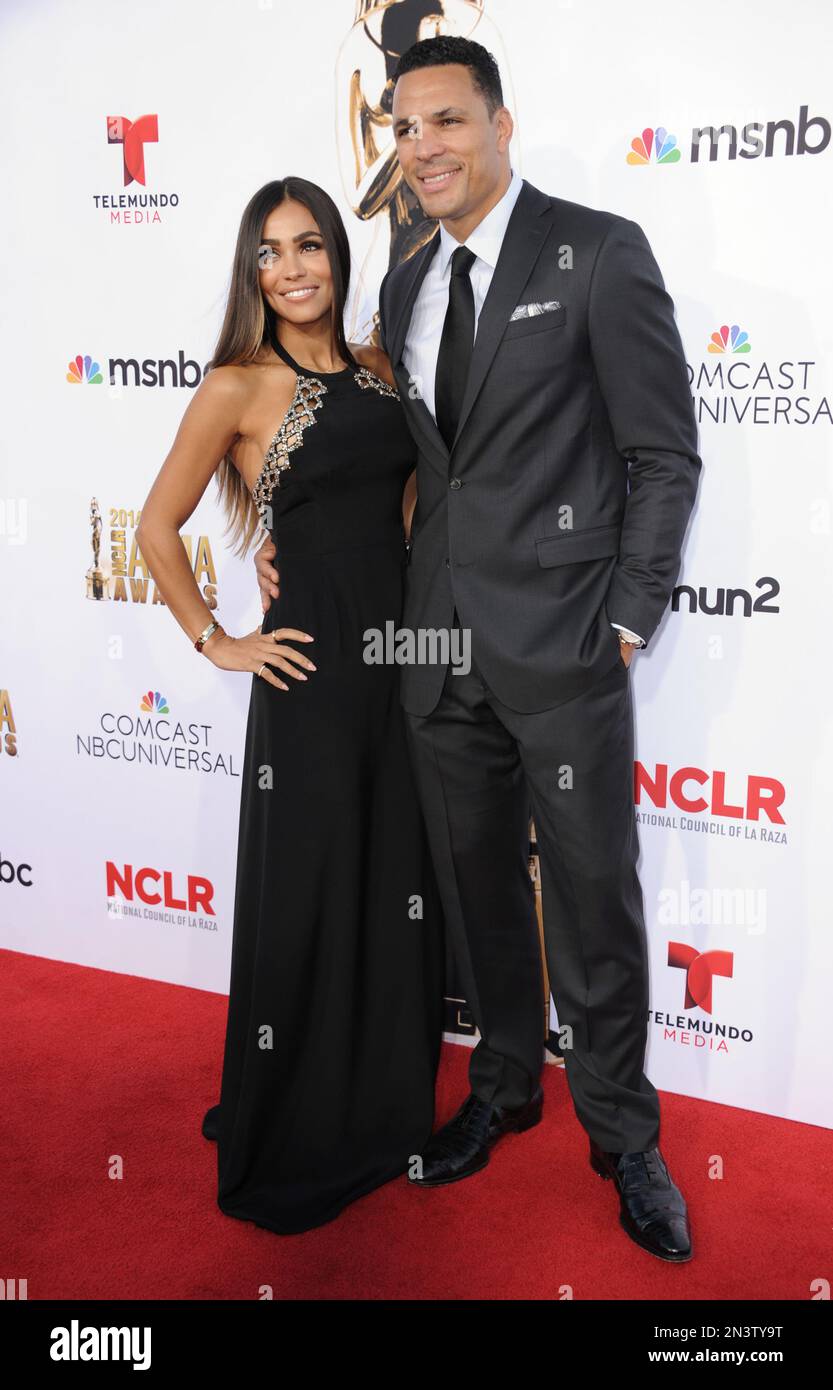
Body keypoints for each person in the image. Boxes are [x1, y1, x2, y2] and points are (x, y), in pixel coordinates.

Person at [255, 38, 701, 1261]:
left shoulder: (597, 250)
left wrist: (623, 617)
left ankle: (623, 1137)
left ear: (501, 124)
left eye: (447, 121)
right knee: (476, 896)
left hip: (561, 646)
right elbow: (406, 459)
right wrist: (291, 540)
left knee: (592, 903)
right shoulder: (400, 276)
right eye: (404, 129)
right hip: (430, 644)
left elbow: (661, 454)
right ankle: (502, 1087)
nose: (425, 147)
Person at [136, 176, 444, 1235]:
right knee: (311, 887)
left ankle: (378, 1103)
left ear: (334, 255)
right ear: (250, 271)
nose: (295, 267)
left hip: (396, 656)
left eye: (310, 244)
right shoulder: (234, 384)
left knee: (388, 878)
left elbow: (406, 501)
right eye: (270, 252)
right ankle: (297, 1114)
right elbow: (155, 530)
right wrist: (219, 639)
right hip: (307, 671)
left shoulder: (378, 368)